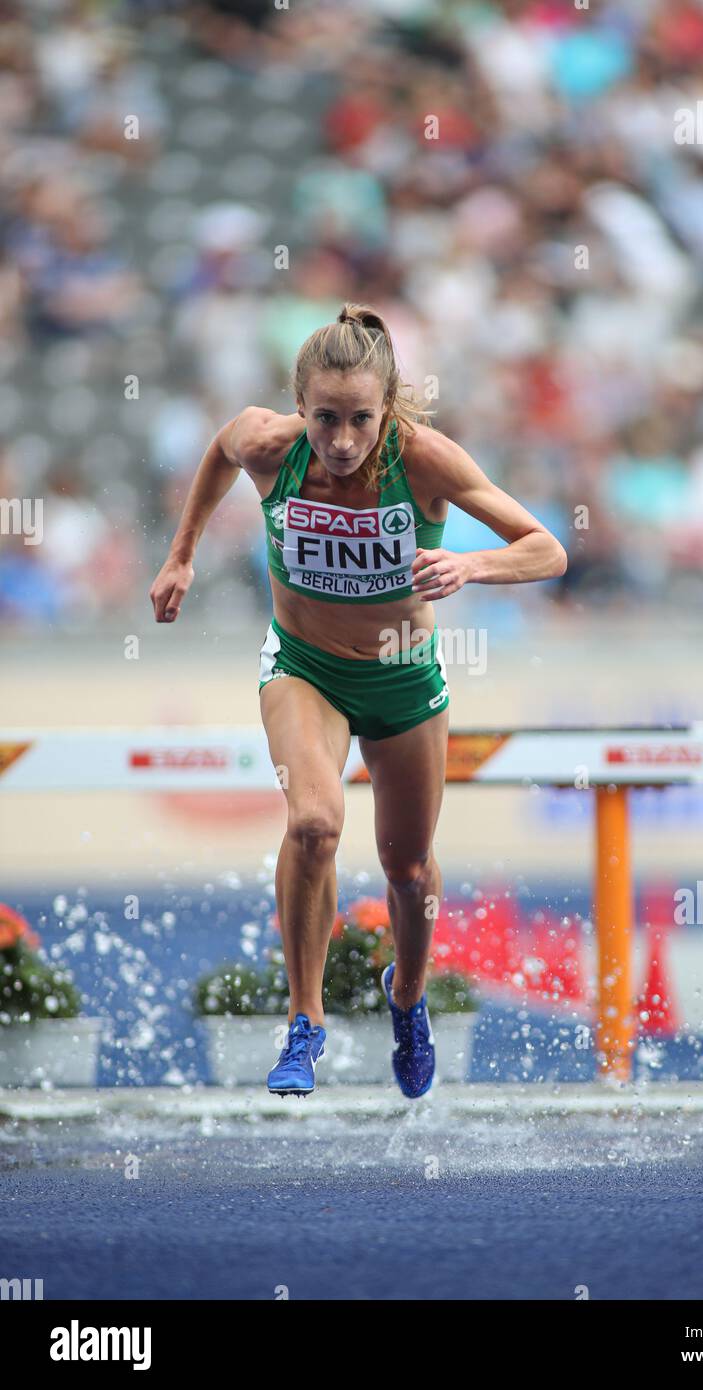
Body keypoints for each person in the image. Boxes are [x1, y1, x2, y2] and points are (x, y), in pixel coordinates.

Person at [149, 303, 567, 1099]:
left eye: (361, 421)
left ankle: (407, 997)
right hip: (305, 666)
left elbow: (547, 547)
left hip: (404, 676)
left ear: (390, 408)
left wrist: (472, 569)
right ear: (298, 407)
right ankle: (305, 1020)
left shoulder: (428, 460)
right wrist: (181, 558)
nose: (341, 443)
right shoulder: (270, 445)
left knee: (406, 867)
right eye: (325, 419)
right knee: (312, 824)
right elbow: (217, 451)